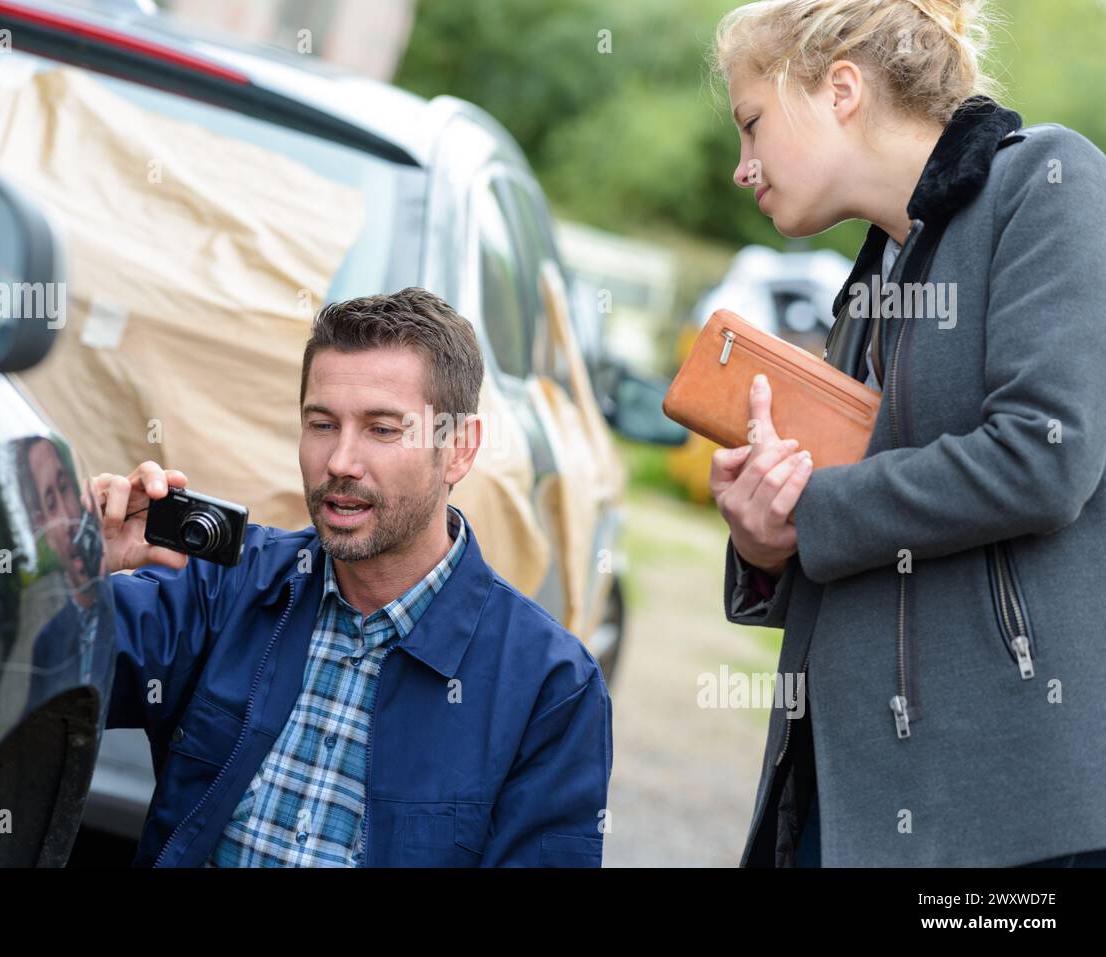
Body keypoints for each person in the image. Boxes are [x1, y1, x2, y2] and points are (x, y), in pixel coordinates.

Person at [708, 0, 1106, 866]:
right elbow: (871, 534)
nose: (744, 166)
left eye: (752, 125)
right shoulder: (873, 284)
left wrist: (812, 506)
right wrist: (766, 539)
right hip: (845, 805)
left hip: (1015, 818)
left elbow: (1045, 455)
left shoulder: (1050, 181)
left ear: (841, 89)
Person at [93, 287, 612, 867]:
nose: (340, 460)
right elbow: (22, 672)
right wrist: (76, 561)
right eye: (321, 424)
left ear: (459, 450)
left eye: (382, 429)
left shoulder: (550, 685)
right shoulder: (227, 586)